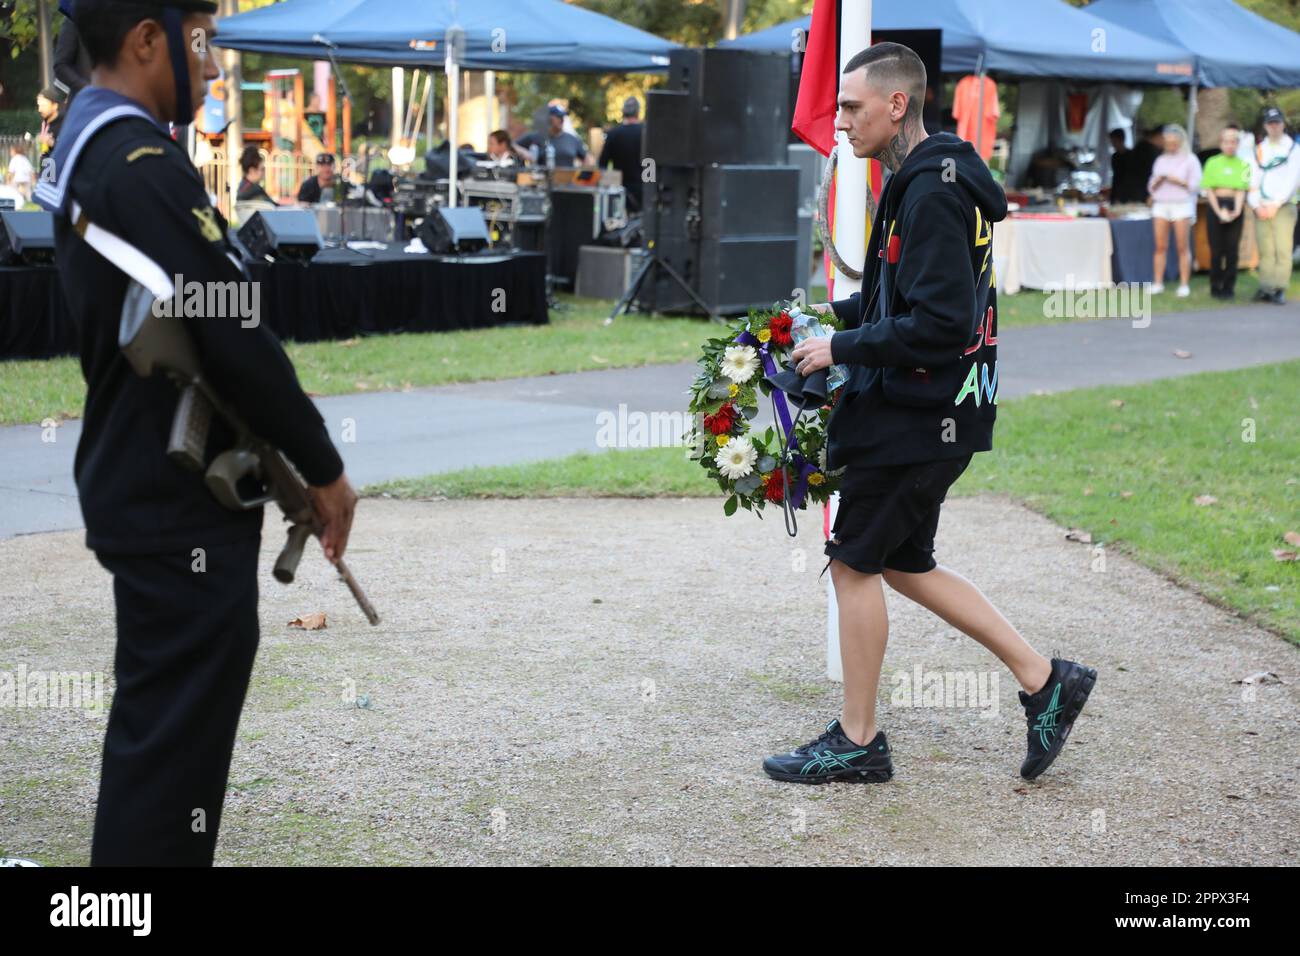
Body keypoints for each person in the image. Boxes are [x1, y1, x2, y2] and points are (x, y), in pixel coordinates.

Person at [34, 0, 356, 865]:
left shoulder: (86, 139)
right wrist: (323, 468)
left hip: (144, 476)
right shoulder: (137, 159)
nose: (213, 69)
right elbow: (234, 327)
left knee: (160, 736)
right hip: (172, 493)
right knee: (168, 753)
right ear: (146, 39)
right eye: (203, 44)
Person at [777, 42, 1096, 786]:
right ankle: (1045, 678)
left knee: (854, 565)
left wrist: (843, 347)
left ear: (897, 105)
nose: (839, 122)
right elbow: (908, 296)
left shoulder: (931, 191)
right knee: (901, 561)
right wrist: (822, 321)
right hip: (935, 411)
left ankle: (858, 742)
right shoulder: (925, 178)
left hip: (919, 415)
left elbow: (942, 322)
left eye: (851, 107)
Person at [1248, 106, 1300, 305]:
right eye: (1270, 123)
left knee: (1282, 250)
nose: (1274, 127)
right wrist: (1256, 205)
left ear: (1283, 124)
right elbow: (1253, 179)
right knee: (1265, 250)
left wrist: (1275, 204)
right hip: (1262, 205)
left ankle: (1279, 287)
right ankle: (1266, 287)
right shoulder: (1260, 149)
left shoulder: (1293, 149)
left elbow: (1293, 180)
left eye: (1277, 123)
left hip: (1283, 206)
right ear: (1265, 126)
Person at [1148, 124, 1201, 297]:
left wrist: (1178, 181)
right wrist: (1157, 182)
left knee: (1181, 245)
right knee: (1160, 246)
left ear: (1180, 142)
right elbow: (1151, 186)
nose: (1170, 145)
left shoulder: (1190, 159)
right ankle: (1157, 283)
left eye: (1173, 142)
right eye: (1167, 142)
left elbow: (1196, 185)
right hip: (1161, 204)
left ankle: (1184, 283)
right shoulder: (1160, 160)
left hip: (1181, 204)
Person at [1201, 125, 1251, 300]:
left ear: (1237, 144)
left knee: (1232, 250)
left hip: (1234, 204)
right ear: (1221, 143)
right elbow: (1209, 190)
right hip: (1216, 204)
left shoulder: (1244, 165)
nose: (1230, 145)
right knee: (1216, 249)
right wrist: (1218, 212)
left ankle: (1229, 287)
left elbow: (1241, 190)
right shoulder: (1212, 162)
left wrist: (1236, 210)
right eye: (1226, 142)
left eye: (1233, 142)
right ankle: (1215, 285)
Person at [597, 96, 644, 211]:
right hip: (643, 191)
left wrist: (609, 186)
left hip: (620, 191)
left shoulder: (613, 134)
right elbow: (651, 162)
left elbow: (602, 165)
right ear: (638, 112)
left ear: (623, 112)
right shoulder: (646, 133)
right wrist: (650, 186)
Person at [517, 105, 588, 169]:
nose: (562, 120)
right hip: (541, 181)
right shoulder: (536, 137)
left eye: (562, 117)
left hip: (567, 181)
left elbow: (587, 159)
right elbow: (511, 145)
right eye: (558, 117)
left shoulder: (572, 139)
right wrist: (524, 153)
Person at [1108, 127, 1147, 205]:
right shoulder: (1114, 156)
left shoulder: (1132, 156)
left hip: (1129, 193)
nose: (1112, 143)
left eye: (1114, 141)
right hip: (1117, 191)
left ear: (1120, 140)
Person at [36, 84, 68, 158]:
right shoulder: (45, 123)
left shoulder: (65, 123)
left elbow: (70, 148)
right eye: (39, 105)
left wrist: (53, 143)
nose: (39, 109)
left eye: (43, 105)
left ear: (55, 106)